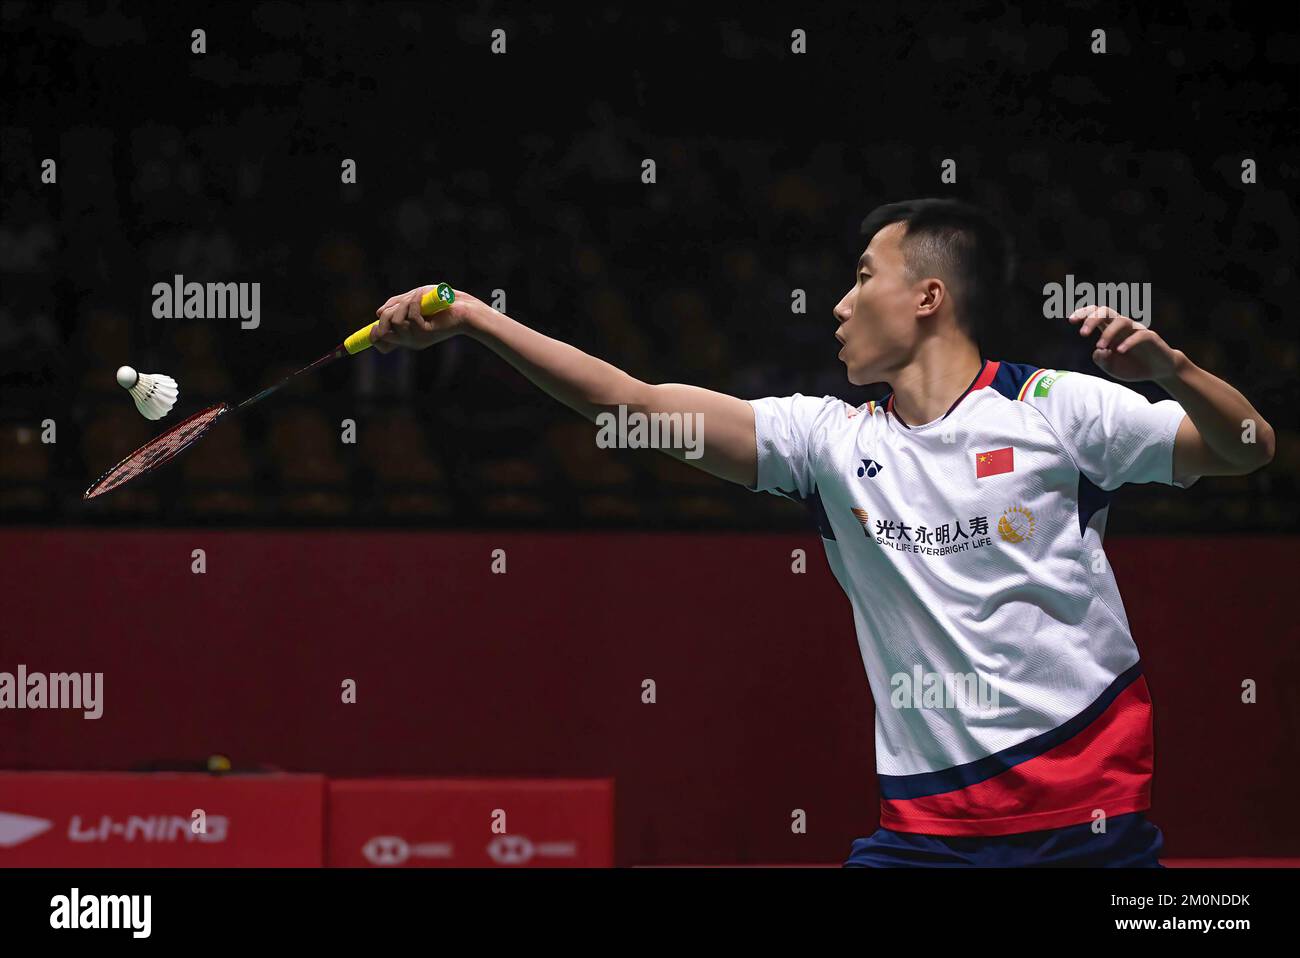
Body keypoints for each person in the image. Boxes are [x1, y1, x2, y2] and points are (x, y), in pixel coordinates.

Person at [369, 198, 1275, 866]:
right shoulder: (828, 444)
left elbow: (1245, 449)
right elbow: (632, 405)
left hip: (1087, 828)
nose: (838, 305)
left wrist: (1176, 369)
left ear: (928, 296)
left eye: (861, 277)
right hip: (925, 837)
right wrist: (477, 319)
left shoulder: (1055, 409)